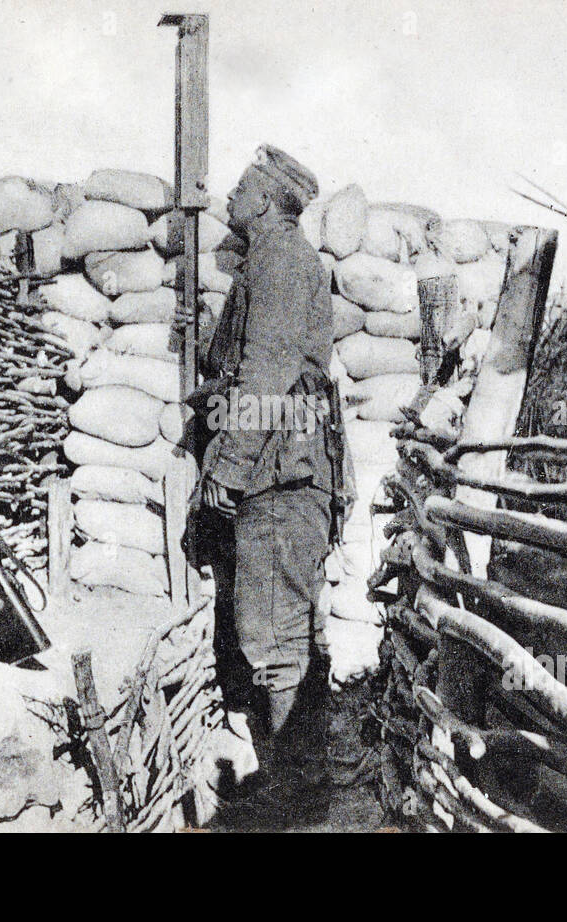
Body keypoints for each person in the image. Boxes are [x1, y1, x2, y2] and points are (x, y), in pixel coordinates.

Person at [187, 145, 352, 820]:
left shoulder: (281, 259)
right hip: (282, 472)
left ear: (264, 202)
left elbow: (267, 375)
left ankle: (294, 799)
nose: (230, 191)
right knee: (285, 631)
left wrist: (226, 467)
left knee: (274, 640)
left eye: (242, 187)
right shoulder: (270, 257)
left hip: (279, 478)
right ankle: (299, 783)